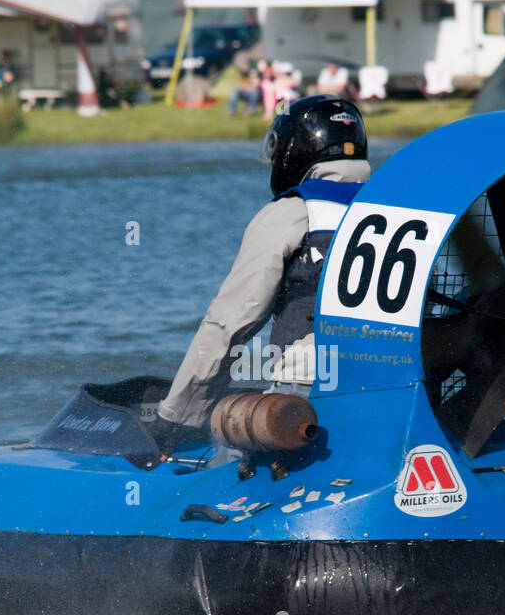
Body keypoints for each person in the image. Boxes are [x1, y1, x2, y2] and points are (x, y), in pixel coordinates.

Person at [150, 95, 370, 459]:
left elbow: (231, 321)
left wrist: (176, 417)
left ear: (295, 150)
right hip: (397, 388)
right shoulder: (400, 210)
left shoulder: (294, 212)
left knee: (215, 473)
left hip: (308, 395)